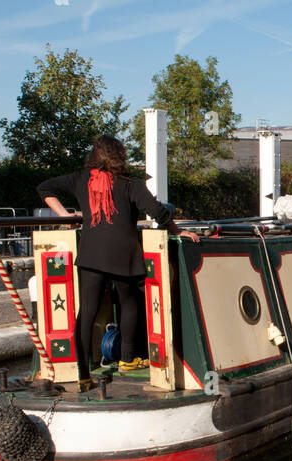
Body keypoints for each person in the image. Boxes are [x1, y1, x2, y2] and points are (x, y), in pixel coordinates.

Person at [38, 134, 198, 389]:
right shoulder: (129, 183)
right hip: (124, 253)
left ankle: (82, 374)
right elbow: (158, 211)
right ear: (119, 156)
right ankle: (127, 359)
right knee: (129, 302)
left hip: (91, 254)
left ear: (94, 155)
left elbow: (44, 188)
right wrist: (178, 232)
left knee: (87, 312)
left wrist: (66, 215)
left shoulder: (81, 179)